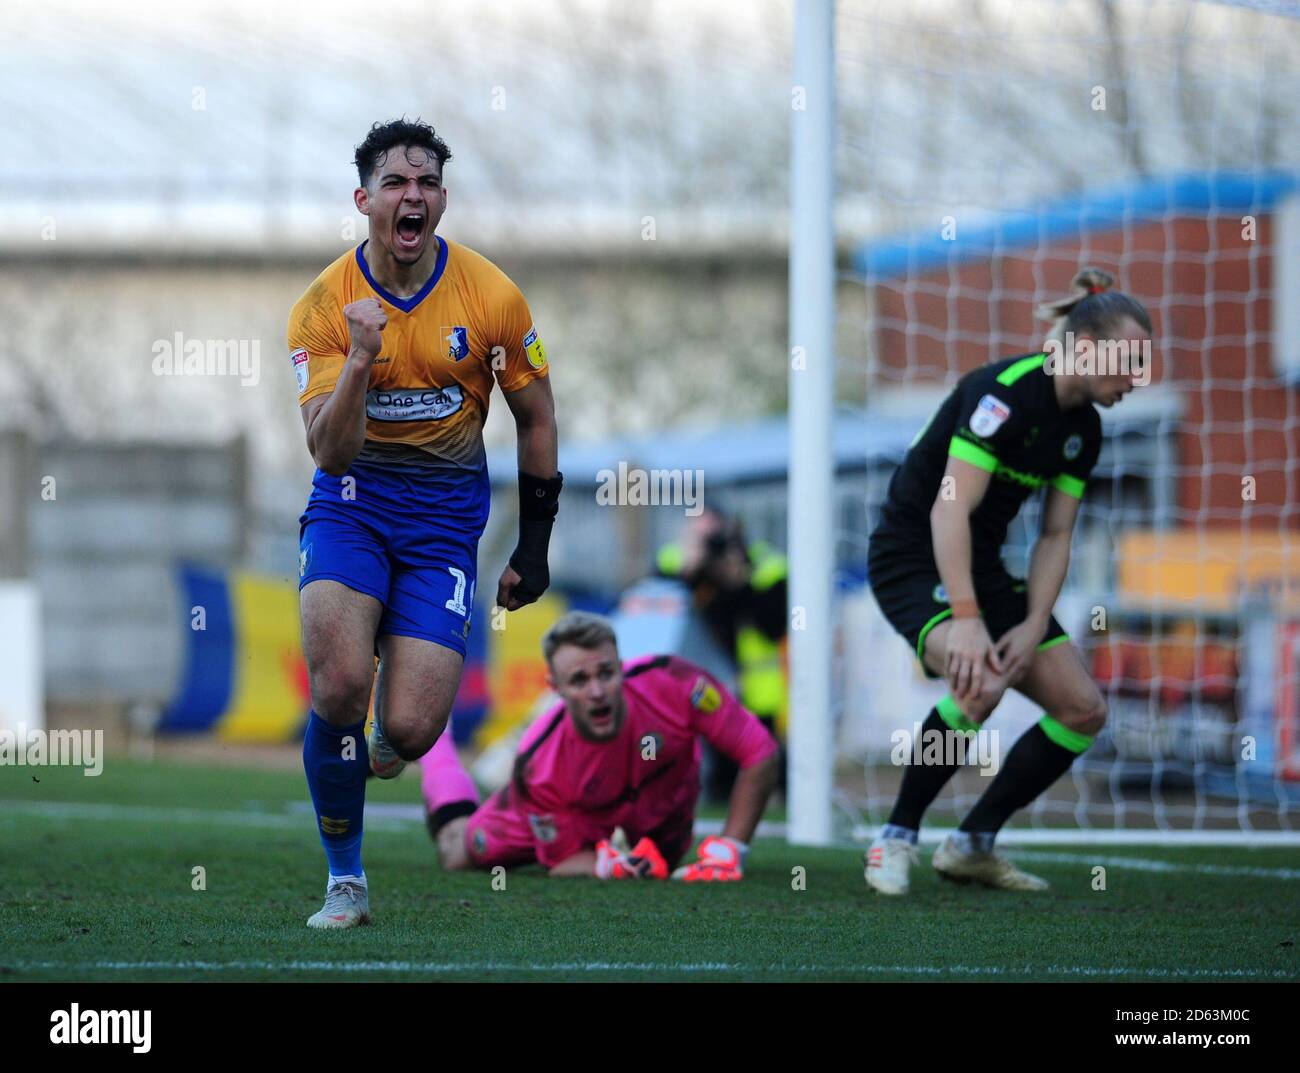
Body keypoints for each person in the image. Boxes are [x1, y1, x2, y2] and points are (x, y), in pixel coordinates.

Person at [288, 118, 561, 927]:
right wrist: (364, 359)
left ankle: (383, 738)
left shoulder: (493, 298)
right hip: (351, 510)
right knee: (338, 683)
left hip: (444, 529)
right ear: (364, 198)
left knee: (408, 727)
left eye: (429, 182)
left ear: (441, 199)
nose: (415, 195)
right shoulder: (323, 306)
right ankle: (346, 879)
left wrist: (534, 545)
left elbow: (536, 417)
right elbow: (329, 455)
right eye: (398, 182)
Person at [865, 268, 1152, 895]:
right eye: (1129, 361)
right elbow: (948, 508)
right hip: (913, 558)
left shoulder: (1085, 431)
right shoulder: (1003, 394)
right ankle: (895, 837)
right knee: (981, 680)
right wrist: (967, 620)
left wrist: (1029, 625)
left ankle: (971, 845)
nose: (1138, 378)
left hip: (982, 565)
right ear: (1081, 346)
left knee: (1083, 710)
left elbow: (1054, 537)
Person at [420, 611, 779, 881]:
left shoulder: (676, 683)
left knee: (661, 863)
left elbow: (759, 752)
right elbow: (563, 861)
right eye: (579, 680)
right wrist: (609, 866)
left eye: (605, 673)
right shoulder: (540, 764)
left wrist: (730, 849)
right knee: (458, 850)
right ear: (555, 688)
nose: (596, 691)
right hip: (575, 826)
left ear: (621, 669)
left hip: (661, 826)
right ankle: (434, 737)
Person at [655, 508, 788, 799]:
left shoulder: (764, 565)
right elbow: (655, 608)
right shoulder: (674, 560)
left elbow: (774, 626)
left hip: (753, 686)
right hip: (695, 678)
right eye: (703, 534)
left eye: (716, 533)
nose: (712, 543)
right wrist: (689, 569)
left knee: (757, 752)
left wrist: (739, 580)